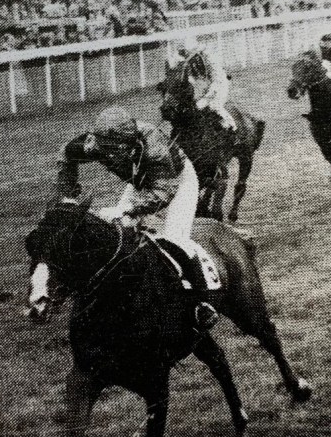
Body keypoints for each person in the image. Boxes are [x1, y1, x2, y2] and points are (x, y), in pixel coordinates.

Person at [56, 107, 218, 330]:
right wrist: (68, 195)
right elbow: (65, 155)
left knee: (174, 239)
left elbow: (163, 193)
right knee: (116, 232)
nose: (114, 153)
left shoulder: (154, 147)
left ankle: (202, 303)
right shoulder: (95, 144)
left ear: (131, 141)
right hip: (140, 180)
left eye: (121, 148)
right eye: (110, 148)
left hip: (177, 181)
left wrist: (128, 209)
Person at [171, 34, 236, 130]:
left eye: (184, 53)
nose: (184, 56)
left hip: (219, 86)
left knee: (214, 105)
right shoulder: (189, 61)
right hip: (203, 88)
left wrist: (206, 97)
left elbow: (217, 81)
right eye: (182, 53)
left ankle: (232, 126)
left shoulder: (209, 59)